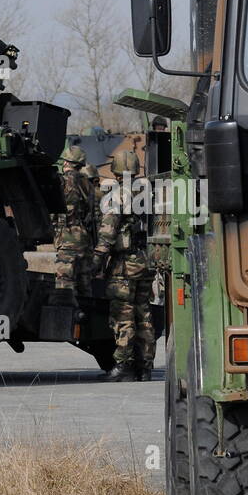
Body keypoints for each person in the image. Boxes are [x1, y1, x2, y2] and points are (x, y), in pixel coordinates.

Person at [94, 149, 155, 382]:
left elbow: (107, 235)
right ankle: (146, 366)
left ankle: (124, 365)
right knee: (144, 312)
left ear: (117, 169)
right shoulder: (151, 192)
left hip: (124, 266)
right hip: (147, 261)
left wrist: (96, 262)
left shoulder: (118, 195)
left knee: (123, 314)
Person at [52, 145, 93, 306]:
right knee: (84, 286)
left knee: (64, 285)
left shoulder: (61, 181)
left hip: (67, 237)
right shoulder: (87, 184)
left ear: (67, 162)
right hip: (84, 238)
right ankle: (85, 325)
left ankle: (64, 325)